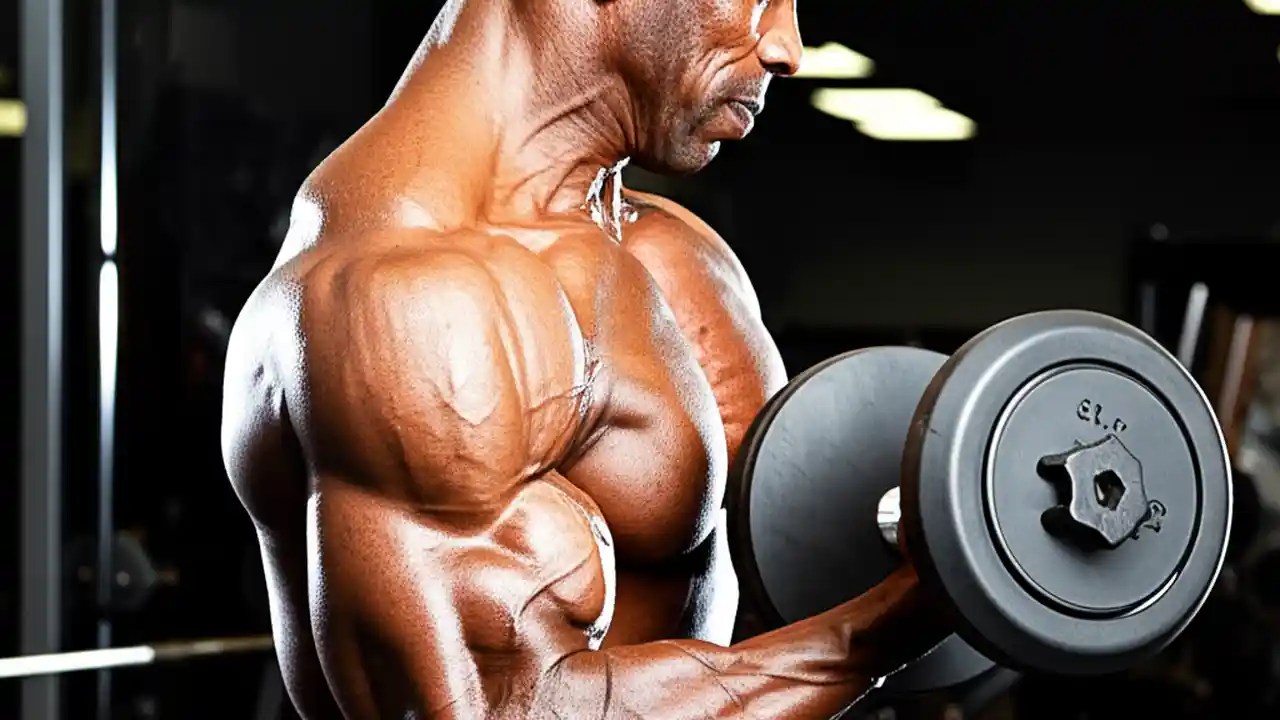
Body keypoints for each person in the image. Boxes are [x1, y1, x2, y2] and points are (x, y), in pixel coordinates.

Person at [221, 0, 949, 717]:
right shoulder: (406, 303)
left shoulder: (676, 256)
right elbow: (495, 708)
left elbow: (791, 597)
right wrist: (896, 623)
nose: (786, 46)